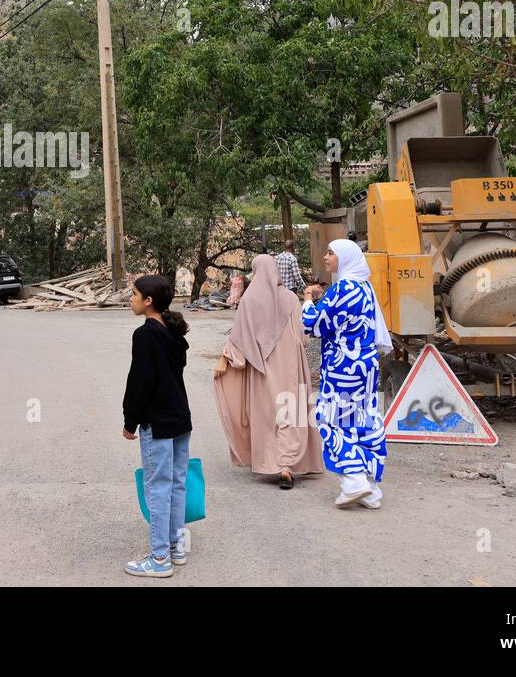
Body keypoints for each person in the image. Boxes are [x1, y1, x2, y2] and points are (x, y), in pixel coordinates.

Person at [214, 254, 323, 489]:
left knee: (267, 415)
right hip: (291, 364)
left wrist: (225, 359)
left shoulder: (249, 300)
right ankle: (287, 466)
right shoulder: (290, 299)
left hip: (262, 368)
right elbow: (304, 337)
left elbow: (239, 339)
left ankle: (270, 462)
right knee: (290, 412)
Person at [302, 238, 392, 509]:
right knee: (363, 419)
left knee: (332, 420)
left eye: (331, 253)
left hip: (343, 367)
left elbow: (314, 325)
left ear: (345, 258)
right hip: (365, 365)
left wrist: (307, 301)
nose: (326, 257)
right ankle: (372, 490)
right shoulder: (364, 288)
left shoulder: (342, 288)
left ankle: (354, 481)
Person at [122, 274, 192, 579]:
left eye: (134, 294)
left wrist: (130, 420)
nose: (130, 298)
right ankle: (176, 546)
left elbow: (140, 382)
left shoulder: (145, 335)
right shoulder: (173, 332)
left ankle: (159, 557)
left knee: (159, 487)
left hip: (159, 422)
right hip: (180, 418)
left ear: (148, 301)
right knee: (176, 483)